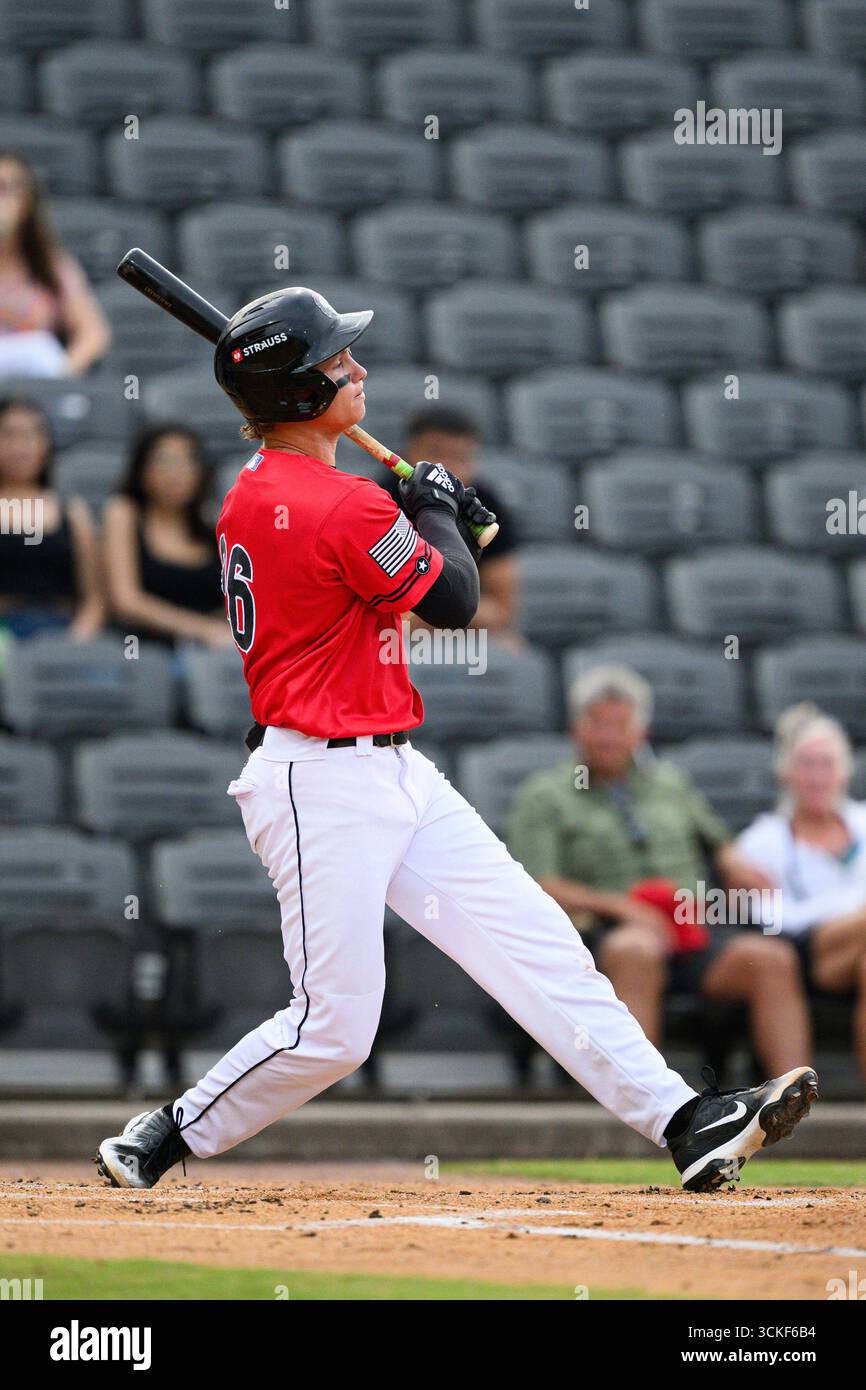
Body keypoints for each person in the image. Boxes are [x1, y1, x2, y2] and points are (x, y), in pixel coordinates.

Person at [95, 286, 817, 1194]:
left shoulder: (264, 492)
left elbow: (400, 561)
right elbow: (454, 601)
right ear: (297, 396)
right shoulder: (338, 507)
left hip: (390, 764)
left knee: (538, 943)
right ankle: (166, 1133)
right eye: (333, 363)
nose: (355, 368)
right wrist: (435, 507)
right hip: (320, 780)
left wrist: (419, 507)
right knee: (334, 1030)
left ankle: (684, 1120)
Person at [507, 665, 812, 1077]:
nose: (610, 736)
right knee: (636, 949)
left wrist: (738, 867)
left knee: (771, 959)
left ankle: (793, 1101)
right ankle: (646, 1109)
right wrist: (620, 908)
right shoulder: (546, 796)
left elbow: (720, 845)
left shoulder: (671, 784)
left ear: (640, 733)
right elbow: (539, 884)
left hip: (691, 929)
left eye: (621, 724)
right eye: (598, 723)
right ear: (576, 731)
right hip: (605, 933)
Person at [737, 704, 866, 1087]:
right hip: (805, 953)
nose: (816, 777)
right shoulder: (763, 839)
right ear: (786, 773)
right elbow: (775, 919)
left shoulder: (863, 821)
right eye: (806, 765)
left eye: (826, 764)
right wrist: (851, 908)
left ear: (844, 771)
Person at [378, 404, 520, 641]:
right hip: (393, 634)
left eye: (461, 458)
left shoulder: (485, 506)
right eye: (436, 453)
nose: (447, 468)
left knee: (511, 647)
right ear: (410, 451)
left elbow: (502, 610)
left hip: (463, 632)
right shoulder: (380, 498)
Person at [103, 425, 228, 647]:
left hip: (213, 649)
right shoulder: (123, 513)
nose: (175, 473)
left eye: (186, 462)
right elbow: (126, 601)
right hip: (147, 648)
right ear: (142, 470)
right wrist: (203, 630)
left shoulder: (212, 521)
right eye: (164, 461)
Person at [0, 396, 104, 644]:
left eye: (32, 434)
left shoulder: (72, 510)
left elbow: (95, 599)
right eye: (8, 434)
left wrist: (75, 642)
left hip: (62, 629)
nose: (20, 446)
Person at [0, 152, 110, 378]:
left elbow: (94, 333)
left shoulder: (52, 264)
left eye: (4, 189)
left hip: (33, 384)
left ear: (26, 200)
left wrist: (63, 373)